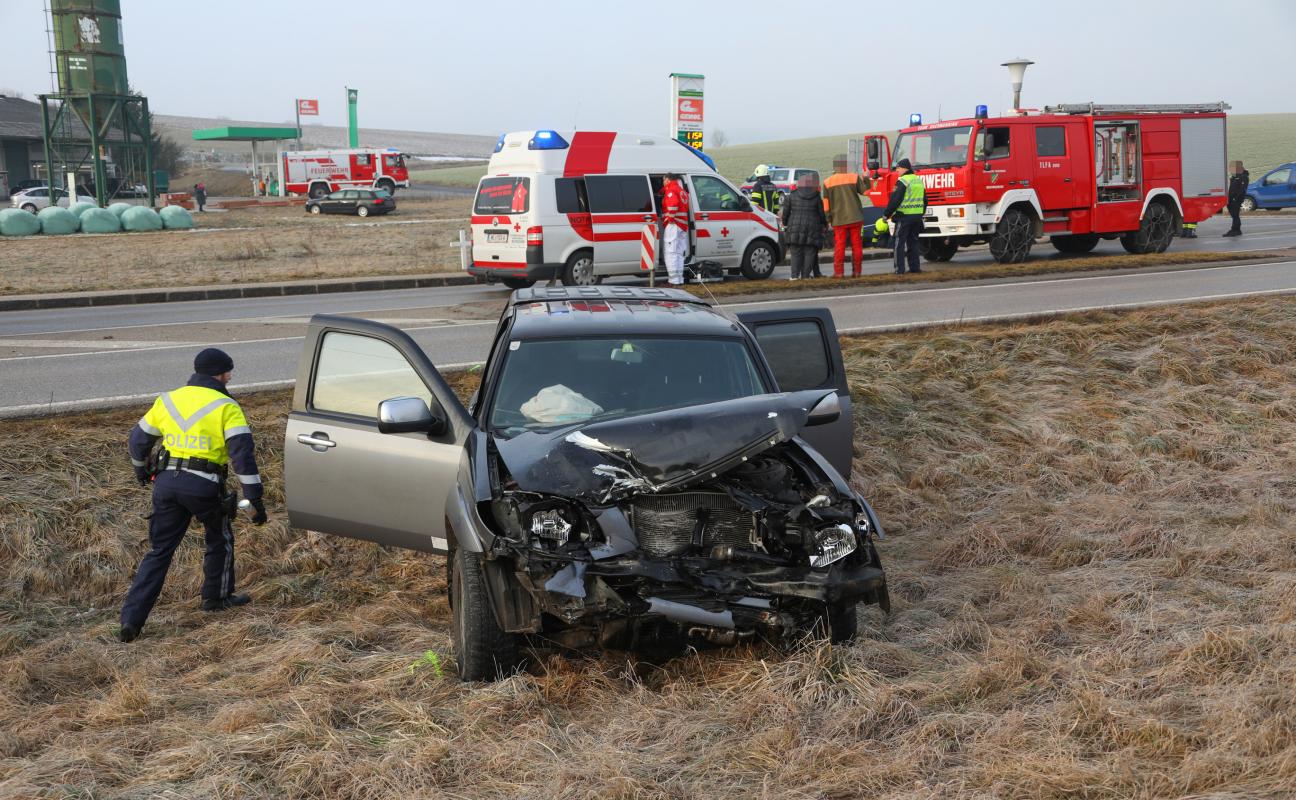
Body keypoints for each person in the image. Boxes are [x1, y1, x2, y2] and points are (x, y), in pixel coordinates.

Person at [119, 348, 267, 643]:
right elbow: (243, 457)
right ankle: (216, 598)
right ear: (221, 374)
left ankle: (131, 621)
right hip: (204, 485)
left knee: (159, 551)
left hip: (166, 484)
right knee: (219, 537)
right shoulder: (227, 406)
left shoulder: (168, 399)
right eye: (229, 371)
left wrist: (140, 471)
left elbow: (138, 440)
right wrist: (255, 499)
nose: (231, 376)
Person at [821, 155, 871, 277]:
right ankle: (857, 272)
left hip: (839, 220)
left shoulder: (827, 182)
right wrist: (866, 178)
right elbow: (866, 192)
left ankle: (839, 273)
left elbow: (826, 205)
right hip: (856, 217)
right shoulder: (854, 177)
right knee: (857, 245)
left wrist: (828, 219)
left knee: (840, 247)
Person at [882, 158, 926, 274]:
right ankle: (915, 268)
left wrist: (886, 214)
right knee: (913, 243)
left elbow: (895, 200)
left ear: (905, 168)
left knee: (899, 243)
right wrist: (920, 213)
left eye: (898, 168)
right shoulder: (918, 180)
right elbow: (925, 200)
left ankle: (899, 270)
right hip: (916, 217)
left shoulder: (903, 181)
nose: (897, 170)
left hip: (904, 217)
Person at [780, 173, 827, 281]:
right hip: (812, 228)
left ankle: (794, 276)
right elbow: (821, 214)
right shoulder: (816, 196)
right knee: (809, 252)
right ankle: (806, 276)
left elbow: (785, 213)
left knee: (795, 253)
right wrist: (824, 224)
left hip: (794, 227)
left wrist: (786, 223)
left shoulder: (791, 196)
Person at [660, 173, 691, 285]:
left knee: (670, 252)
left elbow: (673, 204)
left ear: (667, 180)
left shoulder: (671, 190)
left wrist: (670, 218)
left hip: (674, 224)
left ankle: (673, 280)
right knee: (678, 253)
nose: (663, 183)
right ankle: (679, 279)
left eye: (664, 180)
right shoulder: (682, 190)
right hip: (682, 225)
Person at [1224, 161, 1249, 237]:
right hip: (1231, 199)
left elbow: (1242, 189)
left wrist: (1235, 198)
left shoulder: (1243, 177)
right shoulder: (1235, 176)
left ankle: (1236, 230)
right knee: (1234, 215)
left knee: (1235, 215)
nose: (1231, 169)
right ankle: (1234, 229)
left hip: (1236, 200)